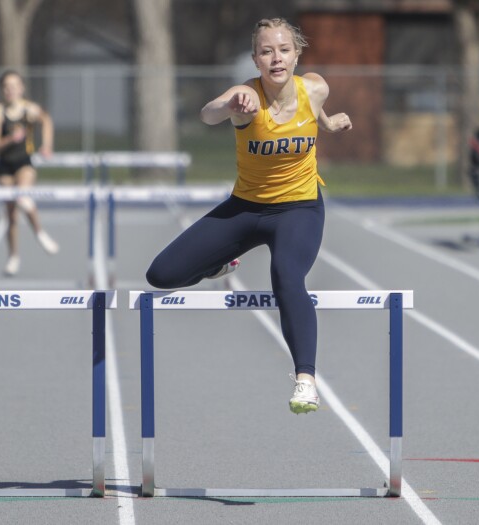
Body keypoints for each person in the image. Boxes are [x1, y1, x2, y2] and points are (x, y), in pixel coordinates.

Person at [145, 18, 352, 415]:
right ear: (256, 59)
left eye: (284, 50)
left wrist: (330, 122)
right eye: (266, 51)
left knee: (287, 277)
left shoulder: (316, 87)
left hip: (299, 209)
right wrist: (228, 106)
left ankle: (306, 379)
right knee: (161, 275)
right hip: (246, 208)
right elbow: (207, 114)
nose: (276, 58)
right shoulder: (246, 96)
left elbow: (317, 111)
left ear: (297, 54)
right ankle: (218, 263)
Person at [0, 70, 59, 276]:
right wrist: (10, 139)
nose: (10, 90)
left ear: (21, 88)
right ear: (2, 90)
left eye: (14, 86)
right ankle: (13, 256)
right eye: (6, 87)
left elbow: (46, 121)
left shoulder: (29, 109)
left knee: (23, 196)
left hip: (24, 162)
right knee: (11, 215)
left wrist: (46, 145)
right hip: (4, 165)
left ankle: (40, 232)